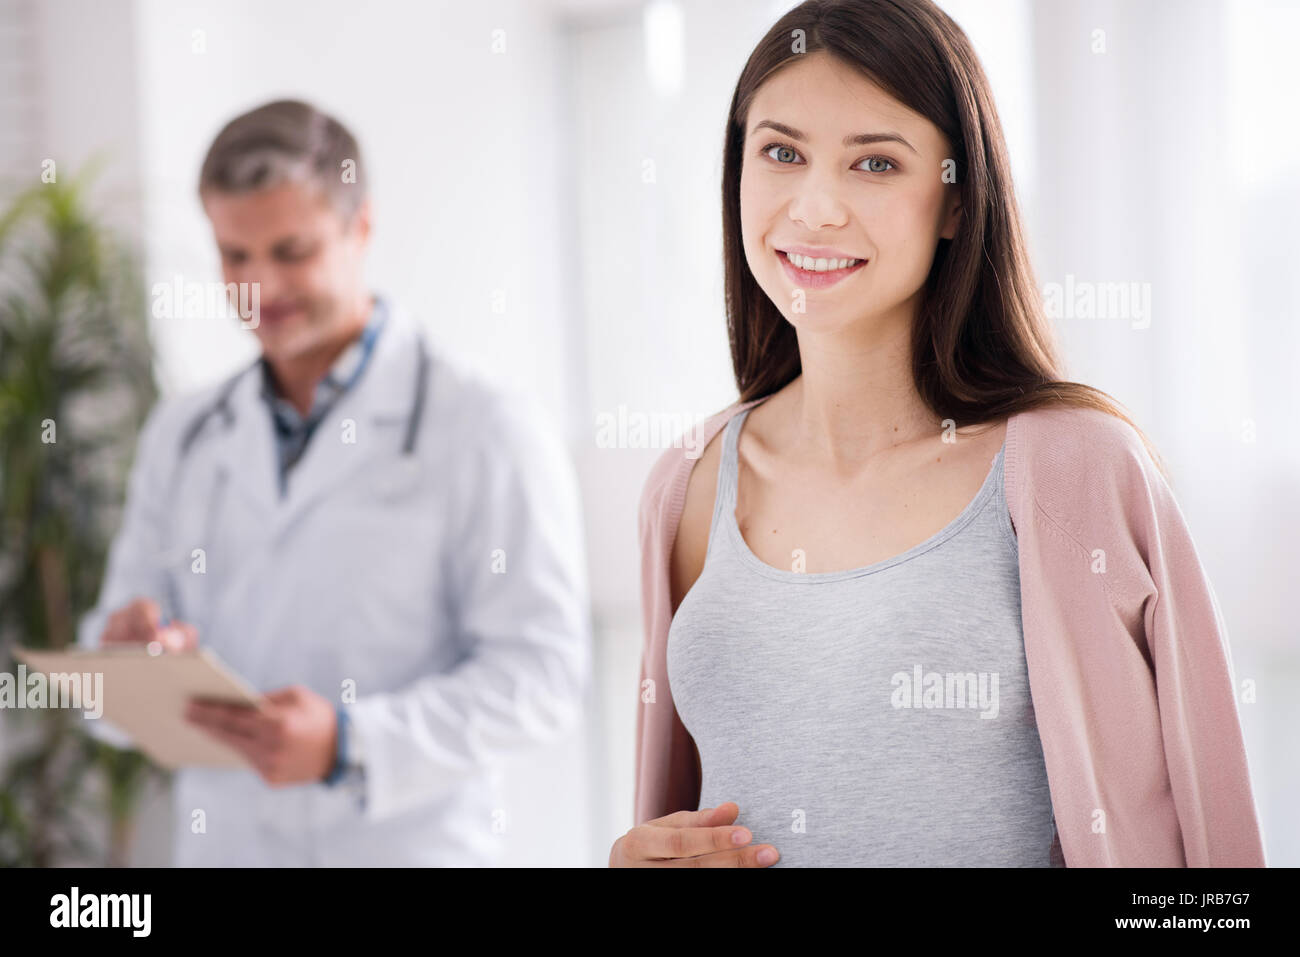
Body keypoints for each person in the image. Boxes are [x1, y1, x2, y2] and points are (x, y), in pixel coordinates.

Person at [609, 0, 1265, 867]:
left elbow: (1210, 868)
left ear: (957, 203)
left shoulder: (1075, 467)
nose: (816, 208)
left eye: (875, 163)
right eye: (781, 152)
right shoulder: (688, 482)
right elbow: (676, 817)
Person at [77, 99, 592, 866]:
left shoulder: (483, 425)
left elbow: (542, 675)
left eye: (291, 250)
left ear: (361, 228)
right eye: (235, 255)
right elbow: (109, 669)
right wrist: (123, 664)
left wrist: (352, 742)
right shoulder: (183, 434)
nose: (260, 287)